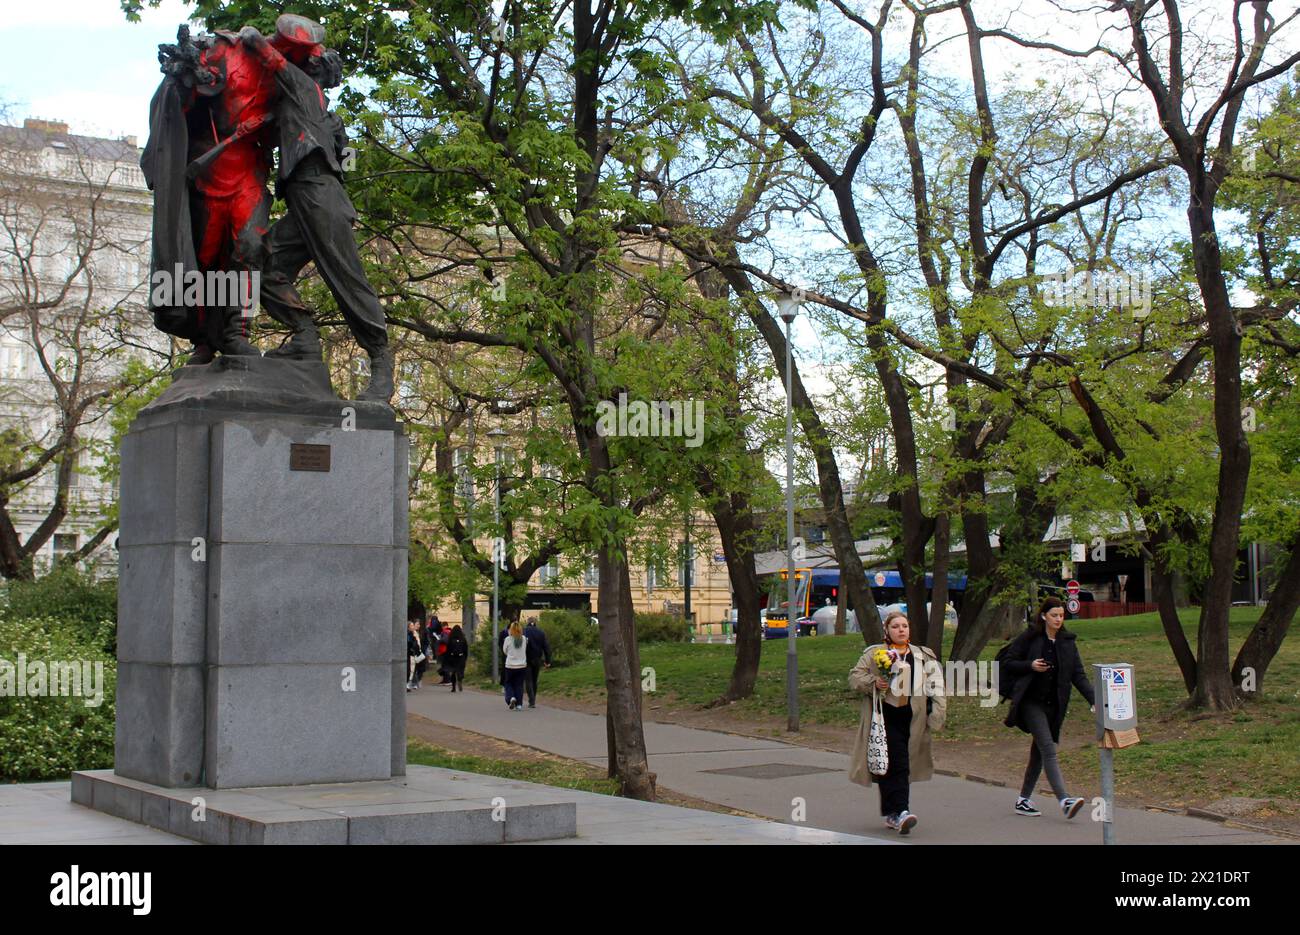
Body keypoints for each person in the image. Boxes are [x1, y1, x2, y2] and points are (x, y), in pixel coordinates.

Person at [238, 17, 394, 401]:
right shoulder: (322, 114)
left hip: (320, 196)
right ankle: (305, 339)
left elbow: (265, 52)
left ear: (314, 71)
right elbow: (347, 158)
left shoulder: (302, 86)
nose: (302, 62)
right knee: (264, 265)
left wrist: (249, 37)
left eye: (308, 60)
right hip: (311, 198)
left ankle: (381, 361)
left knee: (346, 279)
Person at [848, 611, 946, 835]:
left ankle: (892, 813)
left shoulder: (923, 656)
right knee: (897, 763)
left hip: (913, 719)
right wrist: (874, 682)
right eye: (895, 626)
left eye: (904, 626)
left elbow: (937, 686)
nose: (901, 630)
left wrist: (937, 714)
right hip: (884, 718)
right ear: (887, 630)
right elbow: (855, 677)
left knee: (894, 765)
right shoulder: (875, 653)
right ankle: (902, 811)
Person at [999, 597, 1095, 819]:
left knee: (1039, 754)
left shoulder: (1067, 642)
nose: (1058, 619)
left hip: (1054, 706)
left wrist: (1094, 701)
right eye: (1054, 615)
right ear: (1044, 616)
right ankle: (1065, 801)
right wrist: (1030, 665)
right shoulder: (1031, 637)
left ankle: (1023, 800)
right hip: (1030, 702)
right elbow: (1008, 662)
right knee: (1048, 749)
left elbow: (1078, 675)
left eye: (1061, 615)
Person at [523, 617, 552, 708]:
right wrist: (547, 660)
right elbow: (546, 647)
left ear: (528, 622)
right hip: (537, 659)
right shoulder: (541, 632)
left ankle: (531, 700)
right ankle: (533, 699)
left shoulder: (524, 631)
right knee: (534, 680)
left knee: (528, 680)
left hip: (526, 659)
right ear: (535, 623)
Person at [501, 621, 529, 710]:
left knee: (508, 683)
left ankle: (511, 698)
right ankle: (519, 704)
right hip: (522, 666)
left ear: (511, 630)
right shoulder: (524, 639)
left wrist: (510, 654)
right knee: (519, 685)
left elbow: (504, 651)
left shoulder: (508, 639)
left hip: (510, 666)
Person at [445, 625, 469, 693]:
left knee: (453, 672)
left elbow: (448, 649)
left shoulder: (450, 639)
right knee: (460, 670)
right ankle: (460, 679)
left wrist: (448, 658)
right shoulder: (463, 639)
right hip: (461, 657)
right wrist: (465, 657)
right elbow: (465, 649)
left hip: (452, 657)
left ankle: (453, 687)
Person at [406, 620, 426, 692]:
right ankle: (409, 684)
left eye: (412, 625)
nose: (413, 627)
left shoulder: (413, 634)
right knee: (410, 669)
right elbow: (410, 644)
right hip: (409, 654)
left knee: (412, 670)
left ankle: (410, 684)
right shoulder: (409, 634)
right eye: (411, 625)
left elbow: (417, 644)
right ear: (408, 627)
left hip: (414, 654)